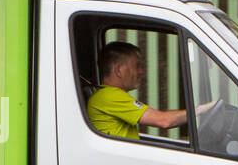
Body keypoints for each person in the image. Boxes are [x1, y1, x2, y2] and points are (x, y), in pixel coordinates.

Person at [86, 41, 214, 140]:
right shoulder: (109, 96)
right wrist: (200, 110)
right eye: (137, 66)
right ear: (118, 70)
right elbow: (164, 121)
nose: (142, 72)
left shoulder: (108, 96)